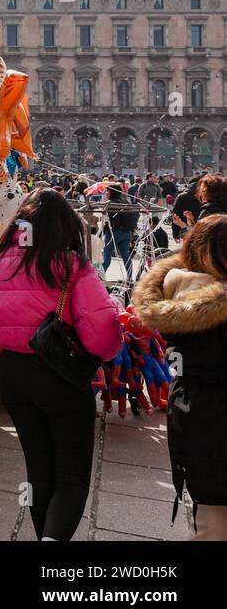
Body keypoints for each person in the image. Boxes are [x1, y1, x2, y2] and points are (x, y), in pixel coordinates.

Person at [0, 188, 122, 541]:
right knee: (72, 474)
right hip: (60, 375)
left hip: (14, 377)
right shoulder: (69, 265)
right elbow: (102, 336)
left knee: (38, 470)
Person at [132, 215, 227, 541]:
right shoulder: (219, 309)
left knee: (210, 523)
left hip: (193, 416)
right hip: (215, 417)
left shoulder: (178, 295)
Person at [101, 184, 139, 279]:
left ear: (112, 192)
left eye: (108, 191)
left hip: (114, 232)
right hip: (127, 233)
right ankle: (130, 277)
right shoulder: (127, 201)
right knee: (125, 256)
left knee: (107, 255)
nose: (106, 193)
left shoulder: (111, 203)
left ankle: (99, 277)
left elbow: (106, 219)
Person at [172, 177, 201, 242]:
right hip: (202, 227)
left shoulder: (181, 196)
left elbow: (175, 215)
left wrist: (175, 233)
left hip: (184, 228)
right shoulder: (205, 195)